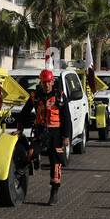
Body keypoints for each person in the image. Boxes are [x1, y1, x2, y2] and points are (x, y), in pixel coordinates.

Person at [20, 69, 73, 205]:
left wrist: (66, 136)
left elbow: (67, 117)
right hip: (40, 132)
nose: (46, 85)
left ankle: (54, 193)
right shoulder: (35, 95)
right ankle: (20, 178)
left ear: (52, 81)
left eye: (48, 82)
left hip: (56, 133)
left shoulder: (59, 96)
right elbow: (25, 111)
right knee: (30, 153)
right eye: (44, 82)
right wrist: (19, 128)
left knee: (56, 163)